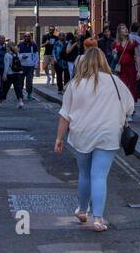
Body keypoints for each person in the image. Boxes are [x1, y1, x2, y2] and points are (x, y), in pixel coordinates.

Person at [54, 46, 135, 232]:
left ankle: (83, 210)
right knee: (99, 176)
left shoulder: (75, 84)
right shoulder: (115, 82)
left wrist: (59, 138)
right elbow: (130, 108)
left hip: (81, 133)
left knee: (84, 174)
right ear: (104, 61)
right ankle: (98, 219)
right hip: (108, 134)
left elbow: (64, 115)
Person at [111, 24, 140, 101]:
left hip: (131, 68)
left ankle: (131, 105)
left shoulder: (133, 42)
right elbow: (114, 58)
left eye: (126, 28)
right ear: (119, 31)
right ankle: (125, 104)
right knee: (122, 86)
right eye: (123, 28)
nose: (126, 30)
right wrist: (114, 53)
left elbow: (138, 56)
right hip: (121, 69)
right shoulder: (116, 43)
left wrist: (139, 70)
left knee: (131, 86)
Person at [0, 40, 26, 107]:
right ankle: (20, 101)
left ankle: (2, 101)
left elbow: (6, 65)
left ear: (8, 47)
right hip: (18, 73)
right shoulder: (17, 53)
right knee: (18, 88)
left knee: (5, 87)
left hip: (10, 74)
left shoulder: (7, 55)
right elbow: (21, 60)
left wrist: (4, 74)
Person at [18, 31, 40, 99]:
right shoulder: (20, 45)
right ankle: (20, 93)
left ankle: (29, 94)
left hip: (30, 66)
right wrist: (21, 57)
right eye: (26, 36)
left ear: (30, 37)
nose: (27, 37)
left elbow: (36, 56)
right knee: (20, 80)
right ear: (24, 37)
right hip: (22, 66)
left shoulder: (33, 45)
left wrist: (35, 65)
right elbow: (17, 54)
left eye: (28, 36)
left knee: (29, 81)